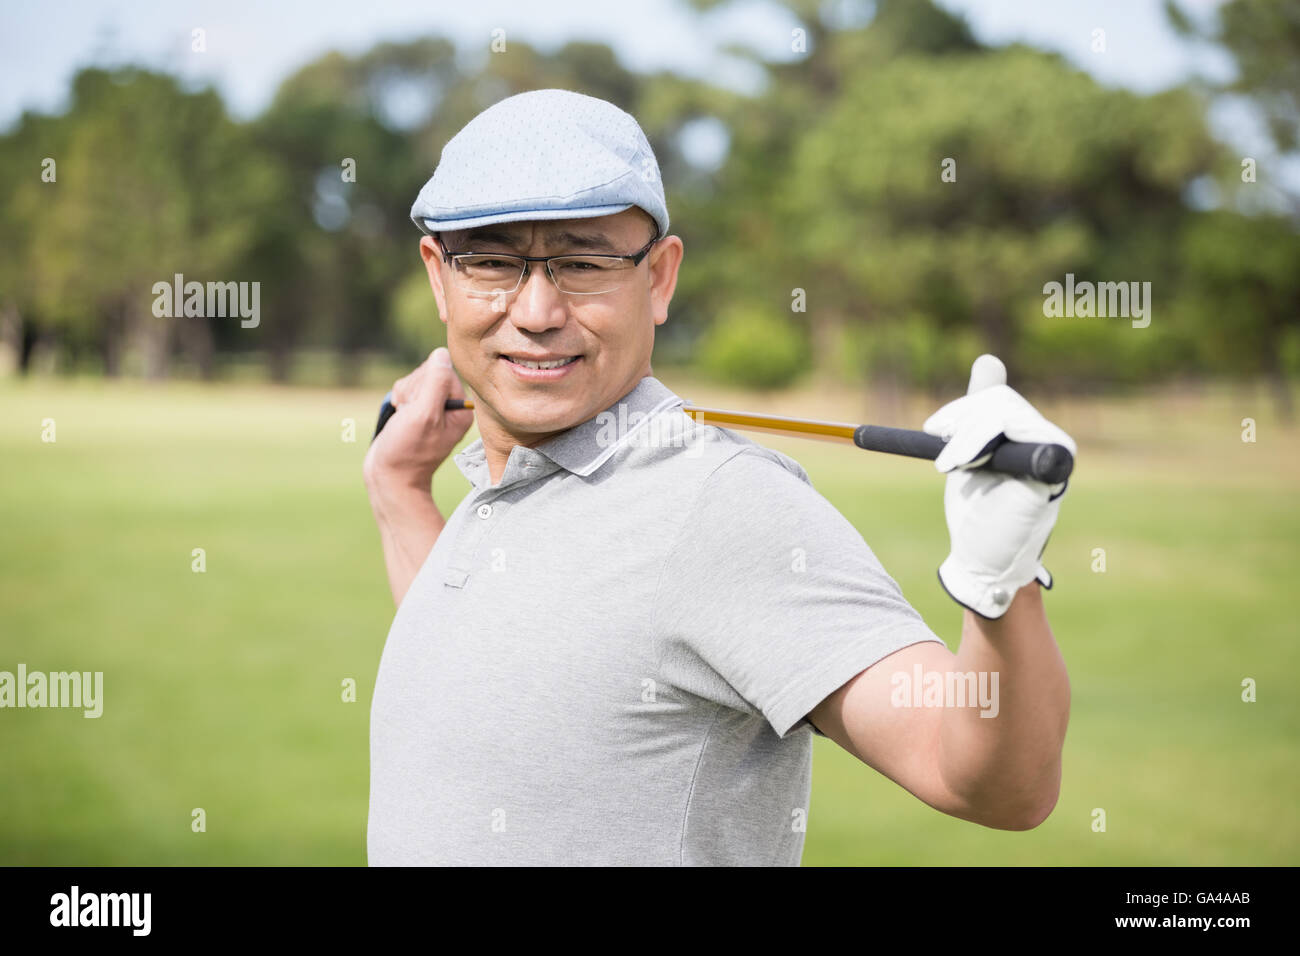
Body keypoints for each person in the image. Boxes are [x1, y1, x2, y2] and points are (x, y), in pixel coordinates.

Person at [362, 88, 1074, 866]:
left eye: (583, 261)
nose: (535, 310)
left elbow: (991, 785)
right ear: (440, 278)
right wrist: (399, 493)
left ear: (659, 279)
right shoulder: (499, 488)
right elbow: (496, 658)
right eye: (492, 262)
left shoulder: (722, 505)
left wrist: (997, 592)